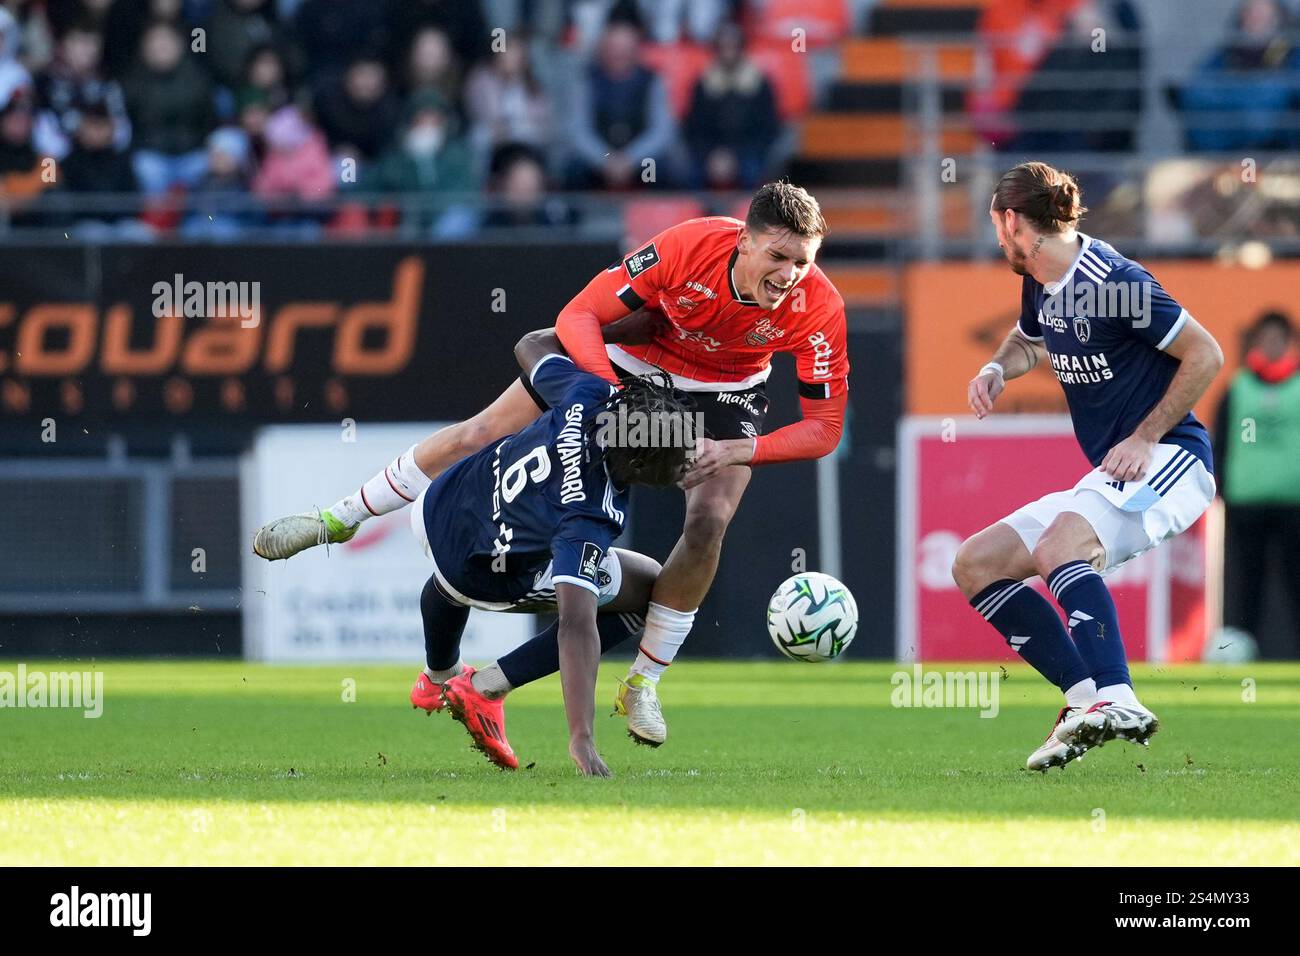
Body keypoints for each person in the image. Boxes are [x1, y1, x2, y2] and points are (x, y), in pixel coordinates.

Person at [253, 182, 851, 748]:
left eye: (803, 262)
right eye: (779, 256)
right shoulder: (687, 245)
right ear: (744, 240)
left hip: (727, 391)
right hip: (631, 362)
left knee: (709, 521)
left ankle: (643, 685)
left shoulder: (818, 306)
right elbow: (578, 316)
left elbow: (824, 430)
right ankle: (337, 519)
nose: (790, 275)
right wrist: (605, 392)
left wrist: (737, 449)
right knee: (482, 431)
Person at [952, 162, 1224, 771]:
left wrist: (1146, 435)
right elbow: (1028, 340)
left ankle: (1118, 695)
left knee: (1058, 549)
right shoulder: (1040, 277)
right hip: (1113, 470)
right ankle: (1084, 703)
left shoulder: (1115, 282)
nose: (997, 238)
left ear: (1013, 220)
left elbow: (1206, 353)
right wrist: (996, 368)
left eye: (997, 224)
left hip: (1172, 458)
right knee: (976, 563)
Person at [408, 328, 693, 776]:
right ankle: (485, 688)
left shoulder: (589, 392)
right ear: (638, 463)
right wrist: (582, 739)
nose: (687, 464)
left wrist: (602, 328)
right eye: (678, 458)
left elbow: (530, 345)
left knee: (481, 552)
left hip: (439, 503)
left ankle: (438, 673)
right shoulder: (588, 518)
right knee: (647, 590)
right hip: (477, 573)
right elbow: (576, 626)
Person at [1213, 311, 1300, 656]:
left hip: (1294, 505)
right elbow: (1220, 443)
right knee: (1245, 585)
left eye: (1279, 339)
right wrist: (1220, 488)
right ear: (1257, 342)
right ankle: (1240, 654)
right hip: (1246, 505)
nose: (1273, 345)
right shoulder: (1238, 389)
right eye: (1267, 338)